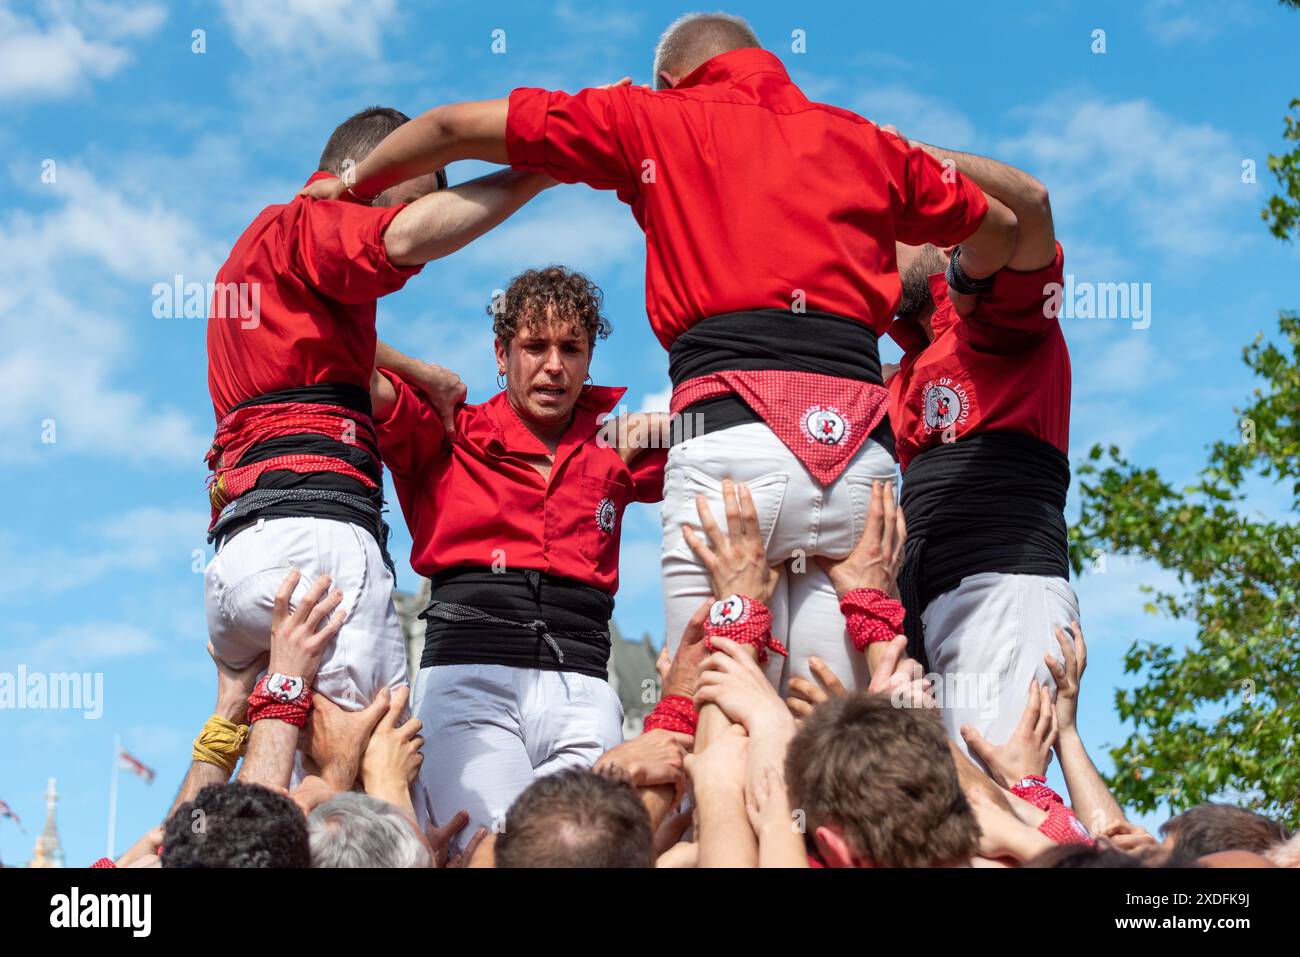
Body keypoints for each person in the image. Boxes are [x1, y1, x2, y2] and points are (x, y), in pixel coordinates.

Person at [297, 12, 1018, 698]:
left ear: (673, 81)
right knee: (836, 724)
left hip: (733, 446)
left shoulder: (654, 116)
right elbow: (1005, 225)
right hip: (858, 455)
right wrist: (964, 290)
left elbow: (452, 127)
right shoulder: (862, 138)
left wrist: (354, 184)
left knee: (723, 708)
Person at [204, 106, 554, 727]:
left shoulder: (260, 258)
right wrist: (541, 171)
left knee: (282, 764)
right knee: (370, 757)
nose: (403, 220)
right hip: (314, 543)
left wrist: (421, 372)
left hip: (237, 556)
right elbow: (403, 242)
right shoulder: (312, 223)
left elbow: (342, 357)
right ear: (352, 177)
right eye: (401, 201)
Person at [371, 265, 667, 845]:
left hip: (584, 683)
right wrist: (418, 372)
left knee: (586, 853)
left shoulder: (617, 444)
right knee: (492, 849)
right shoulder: (448, 430)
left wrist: (673, 425)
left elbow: (731, 435)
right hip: (469, 677)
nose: (554, 364)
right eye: (534, 346)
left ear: (588, 361)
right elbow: (339, 348)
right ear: (501, 355)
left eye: (571, 348)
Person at [883, 132, 1077, 755]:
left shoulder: (1003, 318)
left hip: (1002, 588)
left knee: (999, 798)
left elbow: (1034, 203)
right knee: (928, 825)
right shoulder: (897, 373)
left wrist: (899, 151)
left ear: (947, 239)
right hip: (926, 604)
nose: (882, 248)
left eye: (899, 232)